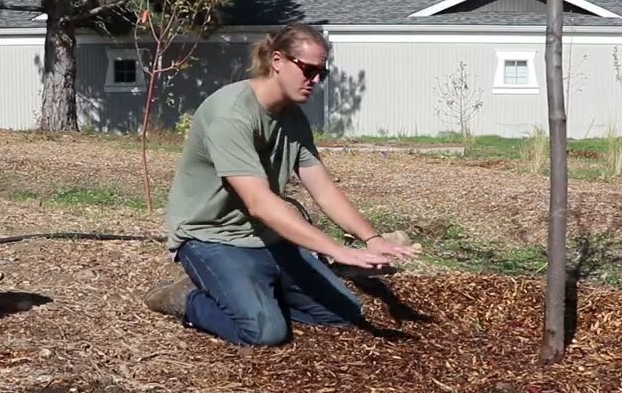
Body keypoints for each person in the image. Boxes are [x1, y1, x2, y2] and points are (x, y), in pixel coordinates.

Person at [142, 23, 421, 346]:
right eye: (308, 69)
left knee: (343, 313)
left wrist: (371, 239)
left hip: (267, 237)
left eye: (322, 72)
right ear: (277, 61)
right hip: (211, 237)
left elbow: (323, 189)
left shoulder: (292, 118)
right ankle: (188, 298)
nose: (315, 80)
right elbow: (259, 203)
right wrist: (336, 251)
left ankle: (260, 292)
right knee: (263, 333)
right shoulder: (230, 115)